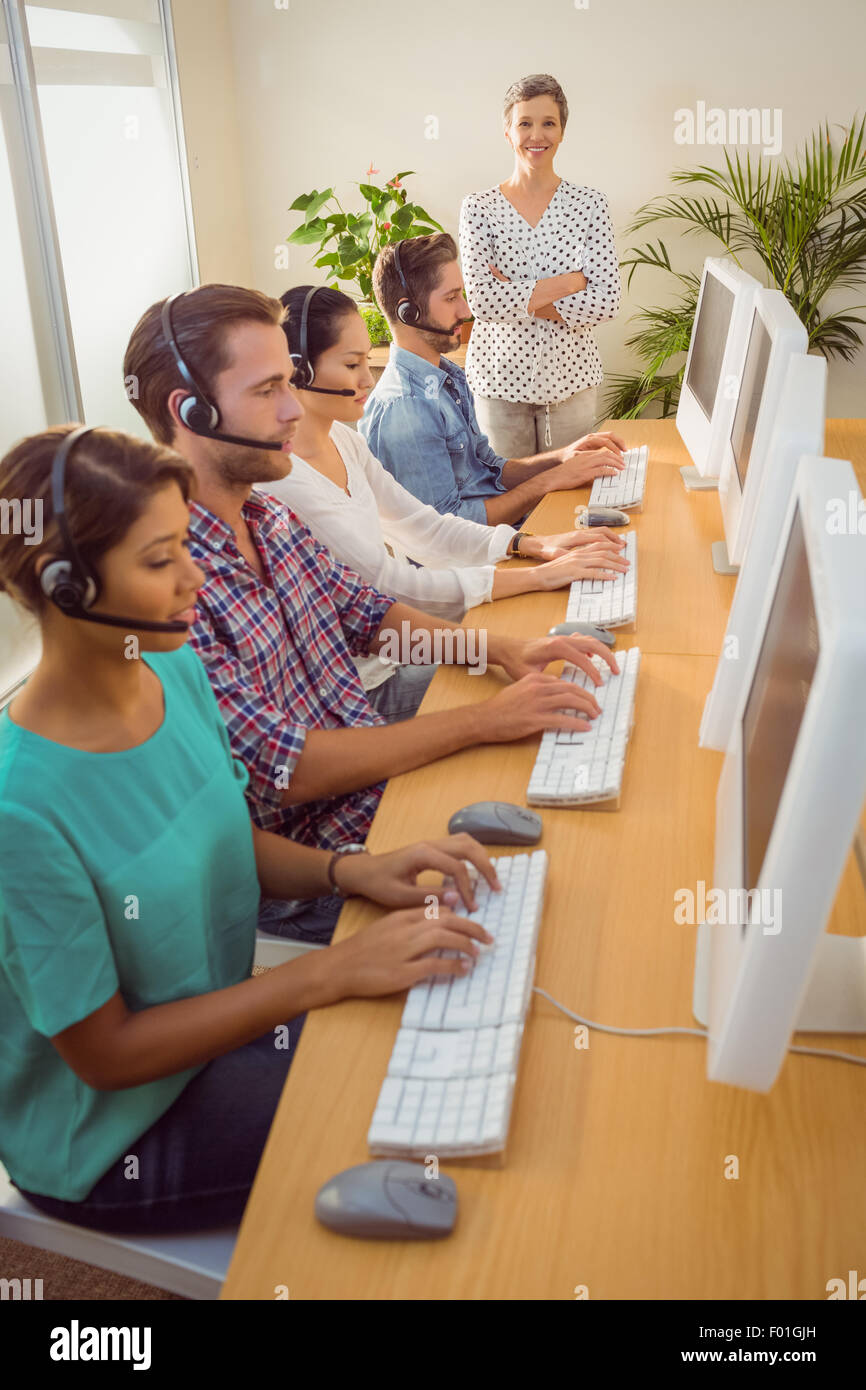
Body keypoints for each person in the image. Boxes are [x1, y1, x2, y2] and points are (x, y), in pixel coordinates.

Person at [0, 423, 496, 1234]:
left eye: (186, 546)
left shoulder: (170, 669)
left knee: (444, 1026)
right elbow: (108, 1056)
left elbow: (228, 834)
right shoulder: (20, 811)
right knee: (432, 1121)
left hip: (223, 1020)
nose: (196, 578)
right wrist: (325, 976)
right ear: (64, 586)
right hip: (115, 1127)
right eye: (161, 561)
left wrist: (348, 872)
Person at [123, 284, 619, 945]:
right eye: (268, 390)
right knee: (567, 923)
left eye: (290, 383)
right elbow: (286, 770)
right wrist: (480, 720)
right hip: (322, 876)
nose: (292, 410)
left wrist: (498, 651)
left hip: (381, 799)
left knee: (584, 836)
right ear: (188, 410)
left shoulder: (265, 515)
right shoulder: (166, 580)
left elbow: (370, 613)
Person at [259, 282, 629, 712]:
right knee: (561, 679)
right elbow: (395, 588)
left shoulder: (344, 439)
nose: (366, 378)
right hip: (365, 689)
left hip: (402, 651)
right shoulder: (284, 484)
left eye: (366, 360)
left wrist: (527, 545)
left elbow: (423, 526)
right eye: (351, 363)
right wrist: (537, 577)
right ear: (299, 370)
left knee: (564, 658)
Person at [360, 232, 625, 524]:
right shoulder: (406, 409)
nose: (465, 310)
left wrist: (561, 458)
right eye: (451, 298)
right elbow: (450, 530)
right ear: (408, 312)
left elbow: (490, 467)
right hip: (478, 561)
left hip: (500, 539)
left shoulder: (446, 378)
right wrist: (552, 480)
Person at [458, 73, 622, 458]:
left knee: (566, 501)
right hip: (499, 384)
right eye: (525, 123)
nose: (537, 135)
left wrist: (515, 292)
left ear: (562, 131)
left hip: (572, 383)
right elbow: (482, 302)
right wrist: (570, 282)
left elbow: (608, 301)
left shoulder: (590, 204)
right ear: (508, 131)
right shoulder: (479, 209)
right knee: (510, 498)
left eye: (549, 123)